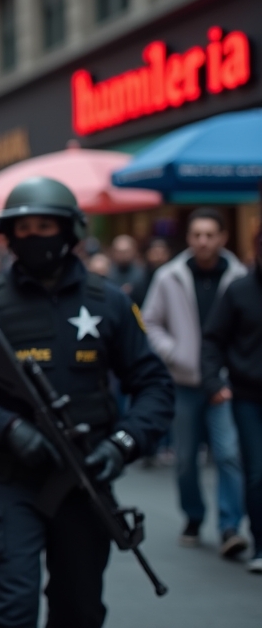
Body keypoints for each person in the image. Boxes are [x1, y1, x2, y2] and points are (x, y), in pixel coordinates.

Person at [0, 177, 173, 628]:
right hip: (11, 477)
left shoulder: (109, 302)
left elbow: (155, 385)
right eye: (23, 229)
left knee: (80, 610)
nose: (34, 237)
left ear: (70, 230)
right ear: (8, 235)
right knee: (12, 610)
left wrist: (123, 444)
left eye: (45, 227)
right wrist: (7, 427)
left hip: (85, 480)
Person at [143, 208, 249, 557]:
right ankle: (193, 516)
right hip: (184, 381)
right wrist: (173, 353)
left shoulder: (238, 276)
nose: (203, 241)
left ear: (223, 238)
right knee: (186, 457)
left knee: (228, 454)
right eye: (197, 235)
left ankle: (229, 525)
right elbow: (150, 322)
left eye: (210, 235)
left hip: (224, 381)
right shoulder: (169, 276)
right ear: (188, 238)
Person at [201, 229, 262, 573]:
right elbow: (213, 339)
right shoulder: (239, 291)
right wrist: (213, 382)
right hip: (247, 395)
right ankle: (260, 543)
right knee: (256, 472)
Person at [108, 234, 147, 304]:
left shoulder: (143, 273)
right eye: (119, 252)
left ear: (134, 251)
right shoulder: (107, 271)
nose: (123, 255)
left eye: (126, 252)